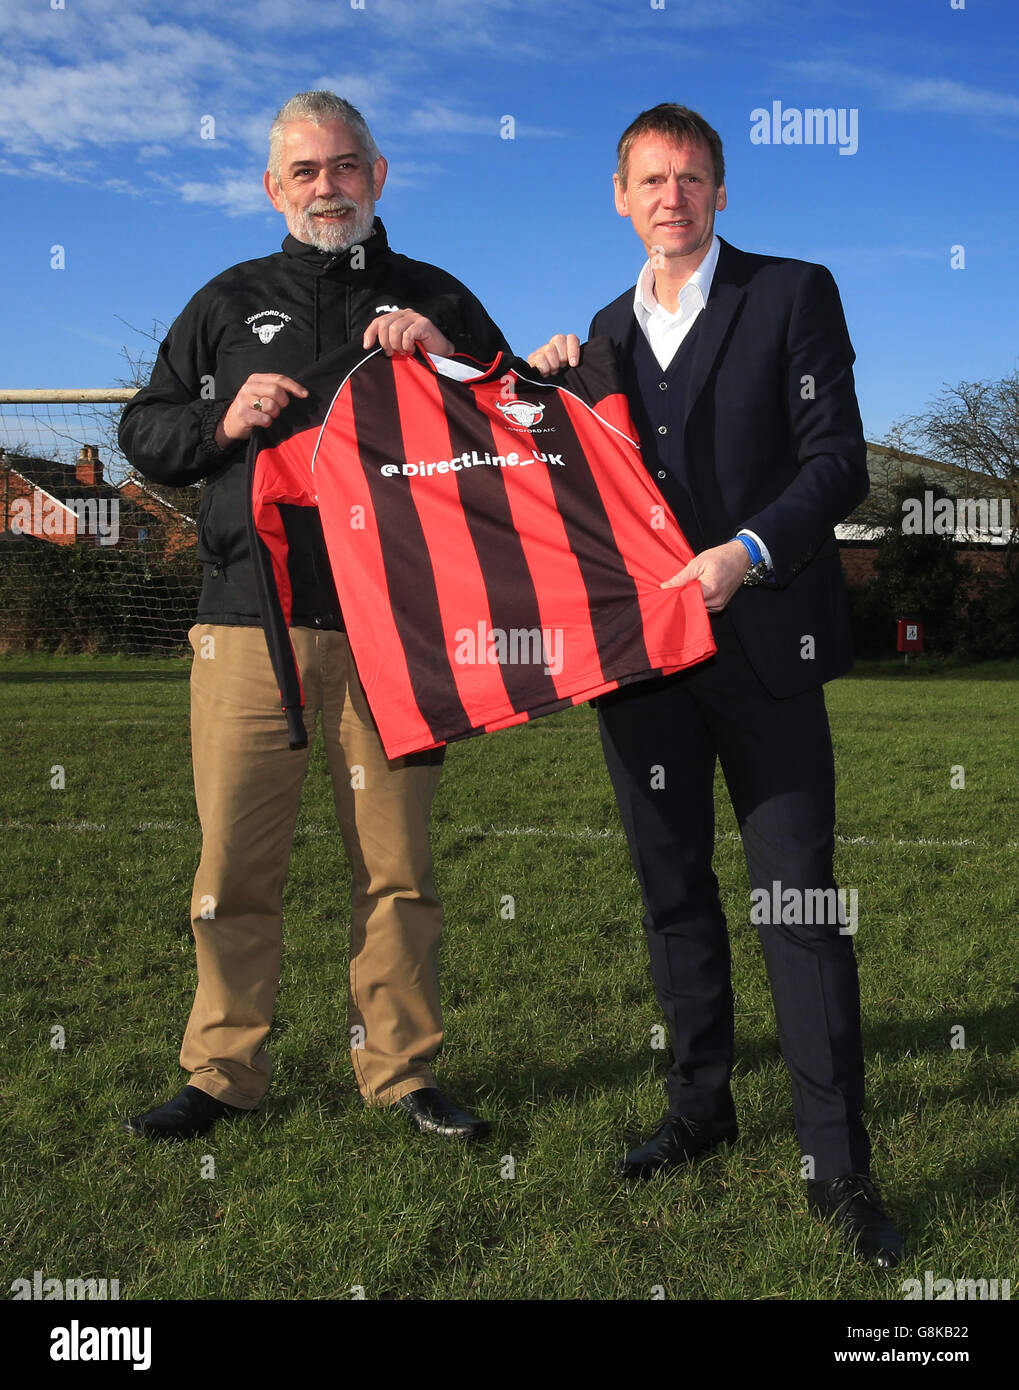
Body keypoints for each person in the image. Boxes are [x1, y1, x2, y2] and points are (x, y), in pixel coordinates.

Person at [529, 104, 902, 1267]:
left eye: (691, 177)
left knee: (795, 902)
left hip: (766, 650)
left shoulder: (792, 292)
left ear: (722, 193)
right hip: (641, 667)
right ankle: (698, 1105)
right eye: (649, 178)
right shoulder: (597, 333)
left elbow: (835, 458)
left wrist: (743, 554)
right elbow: (564, 482)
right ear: (617, 193)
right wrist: (544, 389)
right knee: (672, 888)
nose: (670, 196)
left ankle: (834, 1162)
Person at [119, 90, 509, 1143]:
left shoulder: (436, 296)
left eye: (345, 166)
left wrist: (450, 358)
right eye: (305, 171)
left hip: (403, 630)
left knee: (397, 868)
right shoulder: (225, 300)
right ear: (271, 186)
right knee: (233, 867)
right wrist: (217, 418)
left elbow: (517, 427)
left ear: (378, 177)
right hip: (249, 624)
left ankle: (402, 1072)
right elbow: (143, 431)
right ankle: (220, 1073)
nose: (326, 186)